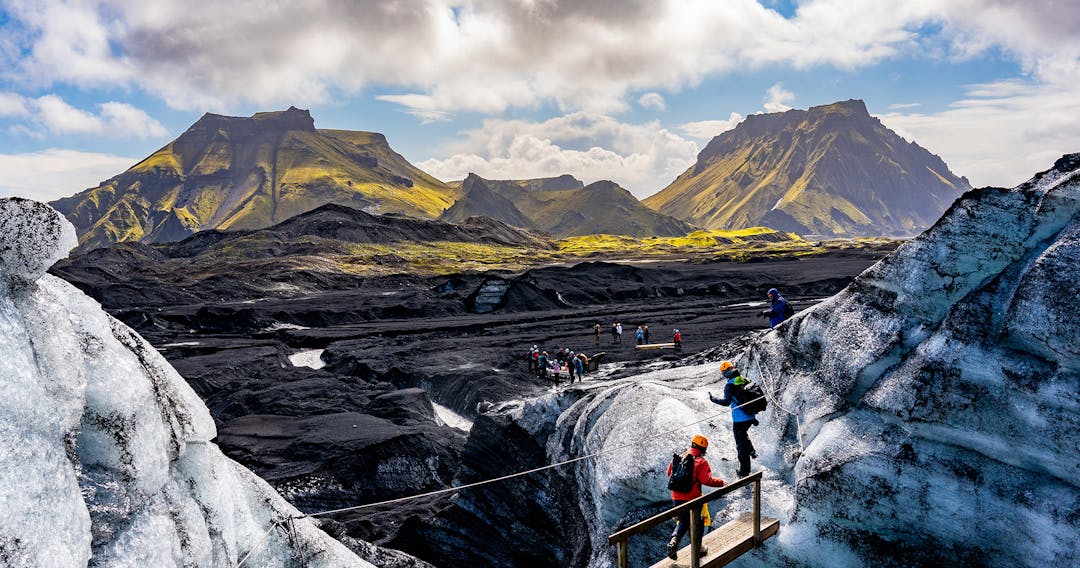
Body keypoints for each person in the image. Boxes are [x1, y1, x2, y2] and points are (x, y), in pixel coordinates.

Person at [665, 434, 725, 560]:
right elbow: (706, 480)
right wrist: (721, 483)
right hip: (693, 498)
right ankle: (698, 549)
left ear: (692, 444)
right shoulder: (701, 461)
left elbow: (669, 473)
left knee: (683, 521)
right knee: (698, 523)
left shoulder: (681, 457)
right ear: (703, 450)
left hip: (676, 497)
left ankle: (674, 540)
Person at [709, 361, 759, 477]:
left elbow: (726, 402)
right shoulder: (745, 379)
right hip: (751, 416)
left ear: (726, 372)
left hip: (740, 419)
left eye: (723, 372)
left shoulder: (729, 385)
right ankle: (752, 452)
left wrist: (713, 399)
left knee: (740, 446)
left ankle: (744, 472)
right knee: (744, 435)